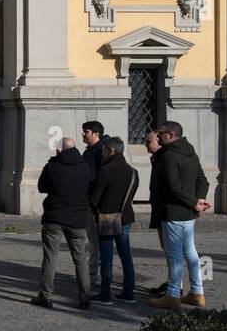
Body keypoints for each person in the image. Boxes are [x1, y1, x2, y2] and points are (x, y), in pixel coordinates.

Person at [147, 121, 210, 310]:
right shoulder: (190, 152)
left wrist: (193, 201)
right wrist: (199, 199)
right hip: (189, 212)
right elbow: (203, 181)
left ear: (173, 135)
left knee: (174, 254)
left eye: (162, 134)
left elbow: (173, 187)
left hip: (174, 210)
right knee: (190, 252)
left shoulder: (169, 155)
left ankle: (173, 294)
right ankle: (197, 292)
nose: (158, 137)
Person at [31, 137, 92, 310]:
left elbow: (42, 187)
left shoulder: (52, 166)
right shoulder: (85, 167)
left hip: (55, 217)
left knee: (50, 258)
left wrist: (52, 164)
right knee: (80, 260)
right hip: (77, 218)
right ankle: (85, 297)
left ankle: (46, 295)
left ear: (59, 150)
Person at [88, 136, 138, 305]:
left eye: (104, 151)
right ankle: (129, 292)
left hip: (108, 217)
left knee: (107, 258)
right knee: (126, 256)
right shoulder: (133, 172)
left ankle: (105, 294)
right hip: (125, 216)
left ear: (111, 151)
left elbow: (95, 199)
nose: (102, 154)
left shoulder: (105, 170)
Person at [144, 130, 170, 297]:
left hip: (166, 208)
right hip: (158, 206)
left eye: (149, 141)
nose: (146, 144)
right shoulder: (158, 158)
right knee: (166, 247)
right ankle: (171, 281)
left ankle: (176, 284)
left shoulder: (165, 158)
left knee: (171, 248)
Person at [81, 120, 106, 288]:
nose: (83, 134)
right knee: (92, 237)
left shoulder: (100, 152)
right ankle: (92, 271)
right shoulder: (89, 152)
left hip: (97, 202)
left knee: (97, 239)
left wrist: (93, 200)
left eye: (86, 132)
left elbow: (97, 178)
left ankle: (95, 274)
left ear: (96, 134)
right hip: (89, 200)